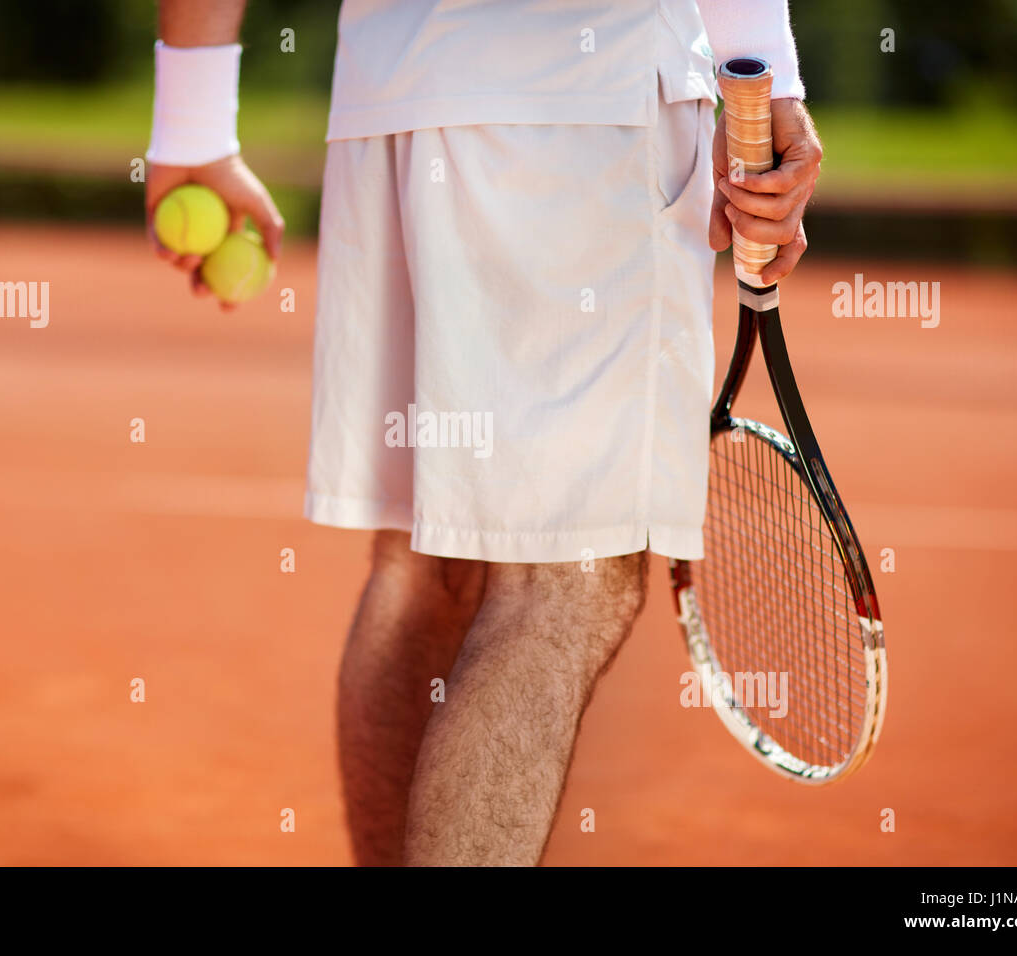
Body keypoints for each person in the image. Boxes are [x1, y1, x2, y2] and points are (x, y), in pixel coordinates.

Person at [146, 0, 821, 866]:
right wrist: (760, 67)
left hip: (391, 93)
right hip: (586, 95)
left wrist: (192, 121)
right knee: (563, 583)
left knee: (425, 568)